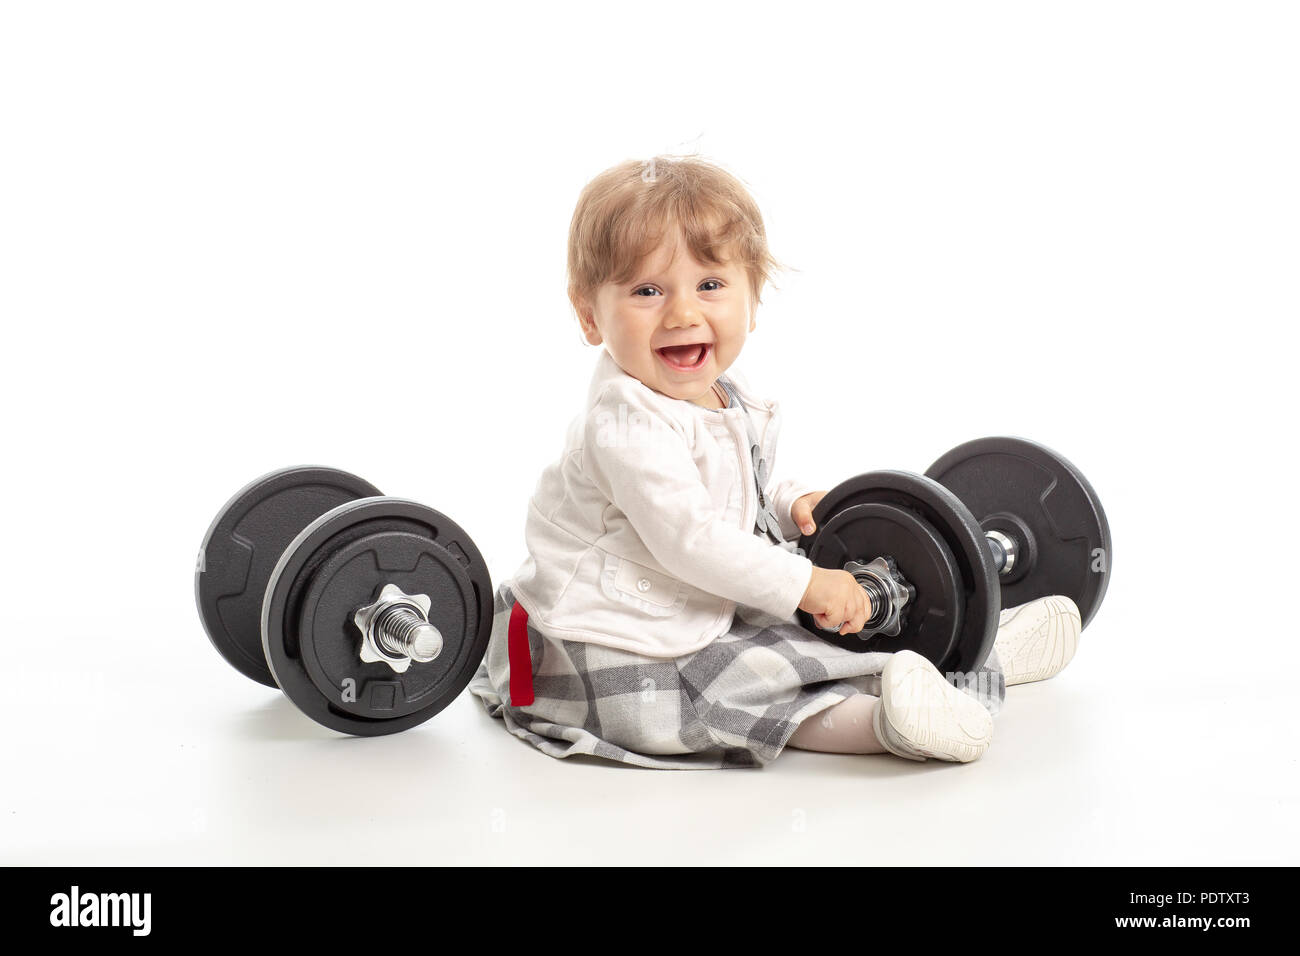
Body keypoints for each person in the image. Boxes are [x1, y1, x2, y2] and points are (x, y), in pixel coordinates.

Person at [468, 155, 1082, 769]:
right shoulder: (624, 422)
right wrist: (805, 584)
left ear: (752, 301)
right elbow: (690, 538)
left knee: (803, 634)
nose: (683, 313)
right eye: (647, 291)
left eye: (710, 286)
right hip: (614, 637)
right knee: (722, 693)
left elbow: (736, 487)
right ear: (588, 315)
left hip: (690, 602)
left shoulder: (720, 394)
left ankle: (977, 651)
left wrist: (790, 503)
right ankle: (887, 723)